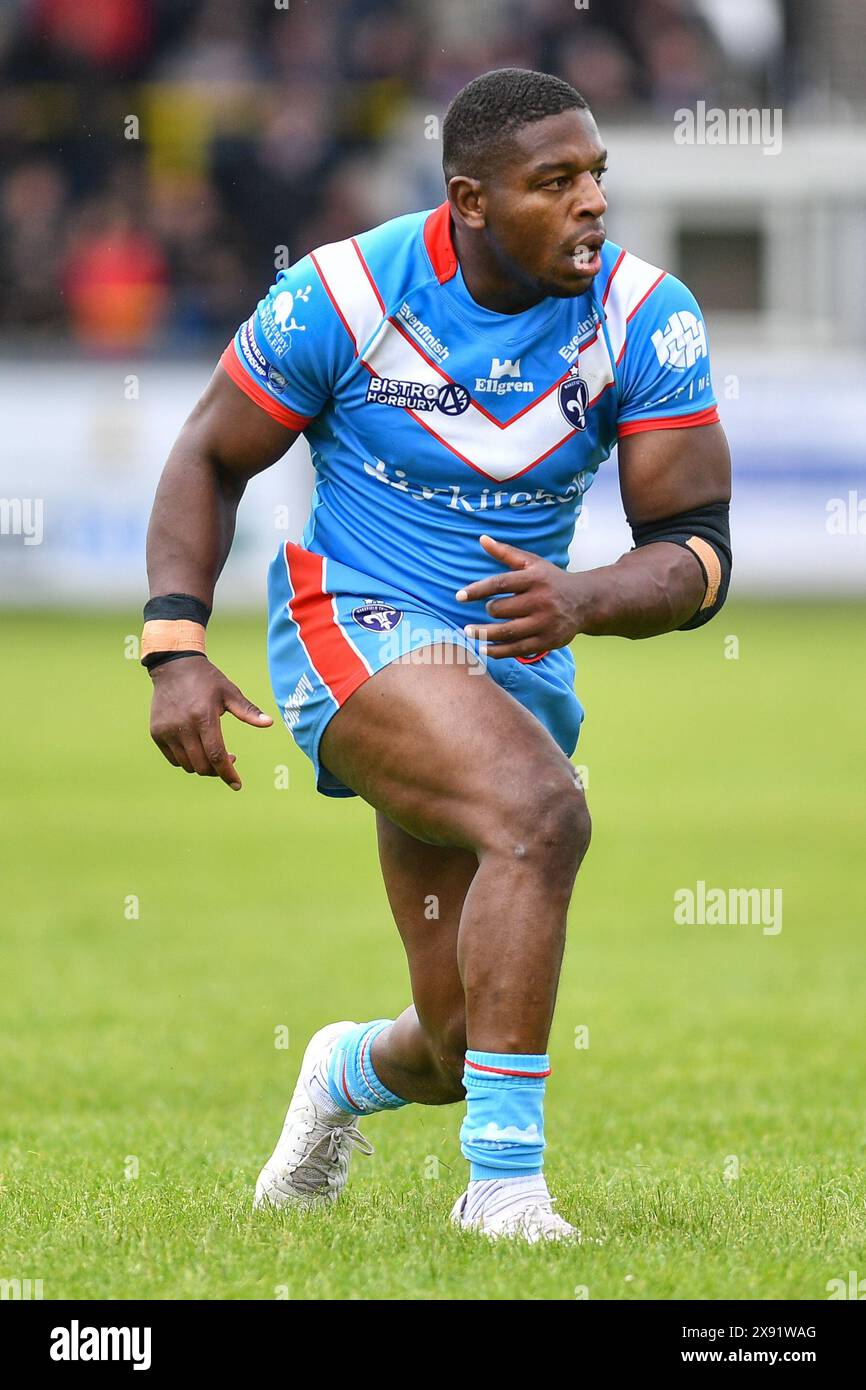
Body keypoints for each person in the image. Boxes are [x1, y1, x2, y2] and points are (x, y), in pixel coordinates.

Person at [142, 68, 731, 1243]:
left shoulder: (644, 316)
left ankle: (345, 1071)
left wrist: (587, 596)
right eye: (552, 183)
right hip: (348, 625)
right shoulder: (346, 293)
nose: (590, 206)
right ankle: (502, 1191)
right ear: (469, 199)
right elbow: (211, 453)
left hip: (512, 663)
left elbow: (695, 552)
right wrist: (173, 644)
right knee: (541, 812)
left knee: (459, 1039)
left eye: (596, 178)